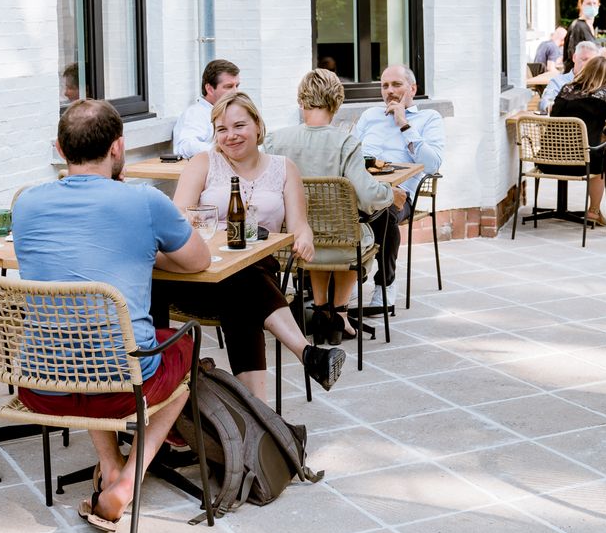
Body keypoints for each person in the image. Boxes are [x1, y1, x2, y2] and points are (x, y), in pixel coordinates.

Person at [12, 99, 211, 531]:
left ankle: (109, 461)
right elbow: (199, 260)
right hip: (122, 385)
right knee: (182, 344)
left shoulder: (24, 204)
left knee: (79, 336)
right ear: (119, 147)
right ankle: (127, 480)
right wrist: (146, 250)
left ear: (61, 149)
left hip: (39, 384)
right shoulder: (143, 202)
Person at [170, 91, 346, 401]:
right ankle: (306, 355)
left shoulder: (283, 167)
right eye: (222, 129)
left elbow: (299, 223)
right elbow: (177, 217)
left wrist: (304, 237)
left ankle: (258, 414)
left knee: (241, 284)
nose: (231, 136)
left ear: (257, 125)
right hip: (202, 276)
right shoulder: (203, 163)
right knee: (241, 286)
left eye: (239, 126)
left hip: (253, 270)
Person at [263, 69, 406, 342]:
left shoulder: (275, 141)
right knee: (351, 232)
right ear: (337, 102)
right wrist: (390, 194)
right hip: (338, 245)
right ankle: (338, 314)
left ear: (301, 101)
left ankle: (321, 310)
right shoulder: (345, 142)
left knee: (319, 229)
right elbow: (367, 195)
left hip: (293, 245)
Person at [353, 64, 445, 312]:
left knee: (384, 213)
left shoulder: (429, 119)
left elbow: (432, 164)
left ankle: (385, 286)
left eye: (396, 85)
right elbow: (349, 153)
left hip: (399, 196)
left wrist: (404, 123)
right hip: (362, 191)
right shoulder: (369, 116)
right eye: (384, 86)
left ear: (412, 89)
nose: (390, 91)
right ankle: (340, 280)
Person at [544, 55, 606, 226]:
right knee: (603, 156)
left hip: (549, 160)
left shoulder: (566, 89)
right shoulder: (603, 96)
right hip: (581, 163)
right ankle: (594, 212)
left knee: (602, 146)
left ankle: (602, 210)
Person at [173, 59, 240, 158]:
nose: (235, 92)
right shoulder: (196, 113)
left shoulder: (231, 111)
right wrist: (225, 150)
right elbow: (185, 147)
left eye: (237, 86)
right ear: (209, 89)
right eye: (228, 87)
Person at [539, 40, 600, 113]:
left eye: (591, 62)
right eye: (584, 59)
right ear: (574, 57)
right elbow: (545, 103)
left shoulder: (598, 83)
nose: (587, 65)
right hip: (561, 123)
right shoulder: (558, 81)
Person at [562, 0, 602, 73]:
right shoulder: (578, 26)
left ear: (598, 6)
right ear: (581, 5)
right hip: (577, 77)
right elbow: (573, 55)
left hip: (588, 73)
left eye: (595, 3)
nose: (592, 6)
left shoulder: (589, 27)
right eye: (588, 3)